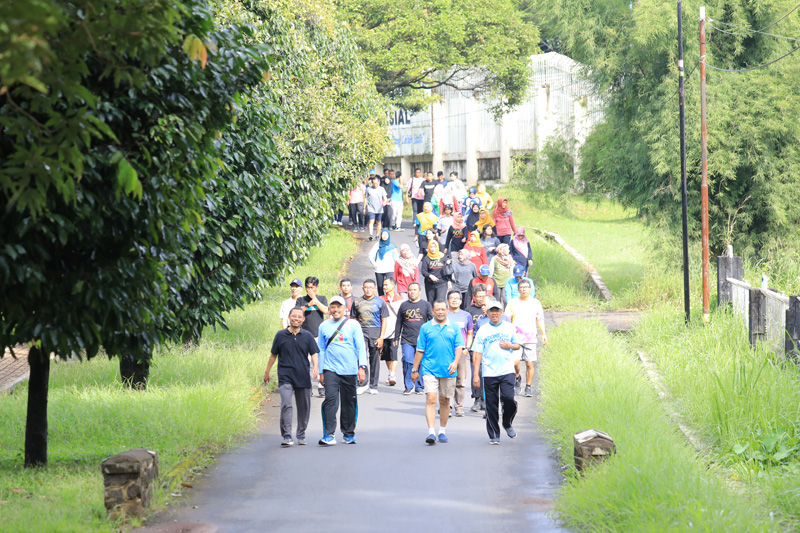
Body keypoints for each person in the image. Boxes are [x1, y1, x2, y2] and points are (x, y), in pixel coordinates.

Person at [264, 308, 319, 446]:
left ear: (303, 319)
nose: (296, 318)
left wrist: (316, 368)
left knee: (304, 407)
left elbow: (314, 353)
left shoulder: (307, 336)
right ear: (288, 317)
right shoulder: (280, 335)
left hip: (302, 375)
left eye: (299, 316)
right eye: (293, 316)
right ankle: (287, 435)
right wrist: (267, 371)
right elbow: (273, 355)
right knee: (286, 404)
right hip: (285, 375)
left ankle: (301, 434)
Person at [412, 300, 464, 444]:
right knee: (431, 399)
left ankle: (442, 430)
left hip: (448, 370)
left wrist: (455, 363)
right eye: (437, 309)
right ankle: (431, 432)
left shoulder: (454, 327)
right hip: (429, 369)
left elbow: (459, 347)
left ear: (447, 310)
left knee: (445, 401)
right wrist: (415, 369)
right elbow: (420, 350)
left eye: (443, 309)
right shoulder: (425, 327)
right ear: (433, 311)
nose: (440, 312)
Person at [317, 296, 368, 445]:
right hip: (330, 369)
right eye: (333, 306)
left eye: (339, 306)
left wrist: (362, 367)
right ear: (329, 309)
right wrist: (321, 371)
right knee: (330, 400)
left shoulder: (353, 324)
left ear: (345, 309)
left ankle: (348, 433)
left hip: (350, 369)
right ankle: (329, 434)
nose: (336, 309)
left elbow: (360, 347)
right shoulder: (323, 326)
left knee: (349, 402)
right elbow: (321, 349)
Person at [472, 301, 521, 444]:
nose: (494, 313)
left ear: (501, 313)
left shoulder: (509, 327)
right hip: (489, 372)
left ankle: (507, 423)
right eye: (491, 310)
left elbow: (517, 345)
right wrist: (476, 374)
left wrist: (510, 345)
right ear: (487, 313)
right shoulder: (483, 330)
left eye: (497, 310)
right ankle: (494, 434)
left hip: (507, 370)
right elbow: (477, 353)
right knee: (491, 405)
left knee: (509, 399)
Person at [505, 278, 547, 397]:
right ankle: (517, 377)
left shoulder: (535, 303)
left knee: (529, 364)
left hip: (530, 337)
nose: (524, 289)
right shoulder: (512, 302)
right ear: (518, 289)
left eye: (526, 287)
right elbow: (507, 319)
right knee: (515, 362)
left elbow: (540, 319)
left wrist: (543, 334)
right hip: (516, 337)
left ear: (530, 289)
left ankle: (528, 387)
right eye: (522, 287)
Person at [350, 279, 389, 394]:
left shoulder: (380, 302)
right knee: (361, 357)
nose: (368, 289)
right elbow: (354, 319)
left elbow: (384, 320)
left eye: (371, 287)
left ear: (375, 289)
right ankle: (362, 383)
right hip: (361, 331)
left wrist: (382, 337)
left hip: (375, 332)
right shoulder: (357, 302)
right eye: (366, 287)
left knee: (374, 359)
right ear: (363, 289)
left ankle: (373, 385)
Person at [395, 282, 432, 394]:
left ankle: (419, 387)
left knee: (421, 362)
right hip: (407, 339)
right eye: (410, 290)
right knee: (407, 360)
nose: (412, 292)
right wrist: (396, 337)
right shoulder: (404, 305)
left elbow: (431, 322)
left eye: (415, 289)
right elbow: (398, 322)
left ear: (419, 291)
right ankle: (408, 385)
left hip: (422, 340)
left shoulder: (426, 305)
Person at [296, 276, 328, 397]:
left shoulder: (322, 298)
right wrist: (308, 304)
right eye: (308, 287)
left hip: (319, 335)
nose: (310, 290)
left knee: (319, 361)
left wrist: (315, 300)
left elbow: (325, 310)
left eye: (312, 287)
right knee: (306, 362)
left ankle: (321, 385)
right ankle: (307, 386)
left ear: (317, 287)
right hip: (304, 335)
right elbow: (297, 312)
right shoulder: (301, 300)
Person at [446, 290, 473, 417]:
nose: (454, 300)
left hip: (461, 351)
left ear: (461, 301)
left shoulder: (466, 315)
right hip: (446, 351)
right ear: (448, 301)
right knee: (447, 379)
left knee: (461, 380)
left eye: (457, 298)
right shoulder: (443, 315)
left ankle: (459, 407)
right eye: (452, 298)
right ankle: (447, 406)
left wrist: (467, 348)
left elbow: (470, 333)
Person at [465, 284, 489, 412]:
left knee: (486, 373)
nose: (481, 299)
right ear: (474, 297)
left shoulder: (490, 310)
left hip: (488, 347)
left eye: (483, 296)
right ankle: (477, 398)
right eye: (478, 297)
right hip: (474, 345)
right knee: (476, 371)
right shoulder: (469, 310)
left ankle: (486, 399)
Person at [379, 277, 404, 386]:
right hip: (383, 332)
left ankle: (393, 374)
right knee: (386, 355)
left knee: (393, 353)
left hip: (395, 332)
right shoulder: (380, 299)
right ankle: (390, 373)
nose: (384, 287)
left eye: (387, 285)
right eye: (383, 285)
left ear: (393, 286)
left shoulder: (401, 300)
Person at [368, 229, 399, 296]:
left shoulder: (392, 246)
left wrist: (398, 268)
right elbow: (370, 255)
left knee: (389, 285)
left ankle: (389, 298)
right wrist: (373, 263)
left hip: (390, 268)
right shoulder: (377, 245)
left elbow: (397, 258)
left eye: (386, 234)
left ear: (389, 236)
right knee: (380, 286)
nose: (384, 236)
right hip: (379, 269)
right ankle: (382, 300)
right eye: (383, 234)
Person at [364, 176, 388, 241]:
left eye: (376, 183)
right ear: (371, 183)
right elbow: (366, 198)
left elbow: (385, 198)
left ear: (378, 182)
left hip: (379, 209)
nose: (375, 185)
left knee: (378, 222)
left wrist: (385, 202)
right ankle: (371, 235)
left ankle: (377, 235)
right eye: (374, 183)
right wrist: (364, 208)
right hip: (371, 208)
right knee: (371, 221)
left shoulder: (381, 189)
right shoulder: (368, 189)